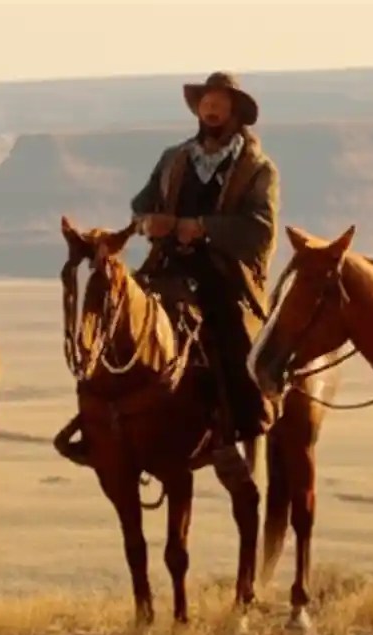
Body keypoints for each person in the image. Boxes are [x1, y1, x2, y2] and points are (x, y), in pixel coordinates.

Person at [59, 71, 279, 478]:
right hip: (165, 265)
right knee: (115, 316)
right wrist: (147, 224)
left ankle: (235, 431)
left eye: (220, 102)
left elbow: (260, 230)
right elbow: (140, 205)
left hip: (222, 271)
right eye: (206, 101)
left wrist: (203, 227)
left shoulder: (257, 169)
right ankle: (97, 428)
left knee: (230, 336)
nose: (211, 108)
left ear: (236, 113)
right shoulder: (174, 158)